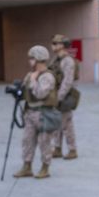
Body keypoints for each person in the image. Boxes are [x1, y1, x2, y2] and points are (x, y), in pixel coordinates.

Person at [12, 45, 59, 179]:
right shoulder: (30, 74)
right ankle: (27, 166)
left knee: (44, 142)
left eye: (32, 58)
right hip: (30, 112)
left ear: (39, 59)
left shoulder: (47, 77)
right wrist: (16, 91)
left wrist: (33, 80)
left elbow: (40, 93)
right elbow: (24, 92)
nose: (29, 61)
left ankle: (45, 168)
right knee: (27, 140)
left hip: (44, 114)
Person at [49, 34, 79, 160]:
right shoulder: (56, 60)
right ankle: (57, 148)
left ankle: (72, 150)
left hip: (64, 96)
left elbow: (68, 81)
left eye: (55, 43)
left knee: (67, 124)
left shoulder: (68, 61)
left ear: (62, 45)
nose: (53, 45)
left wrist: (59, 97)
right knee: (57, 123)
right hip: (56, 95)